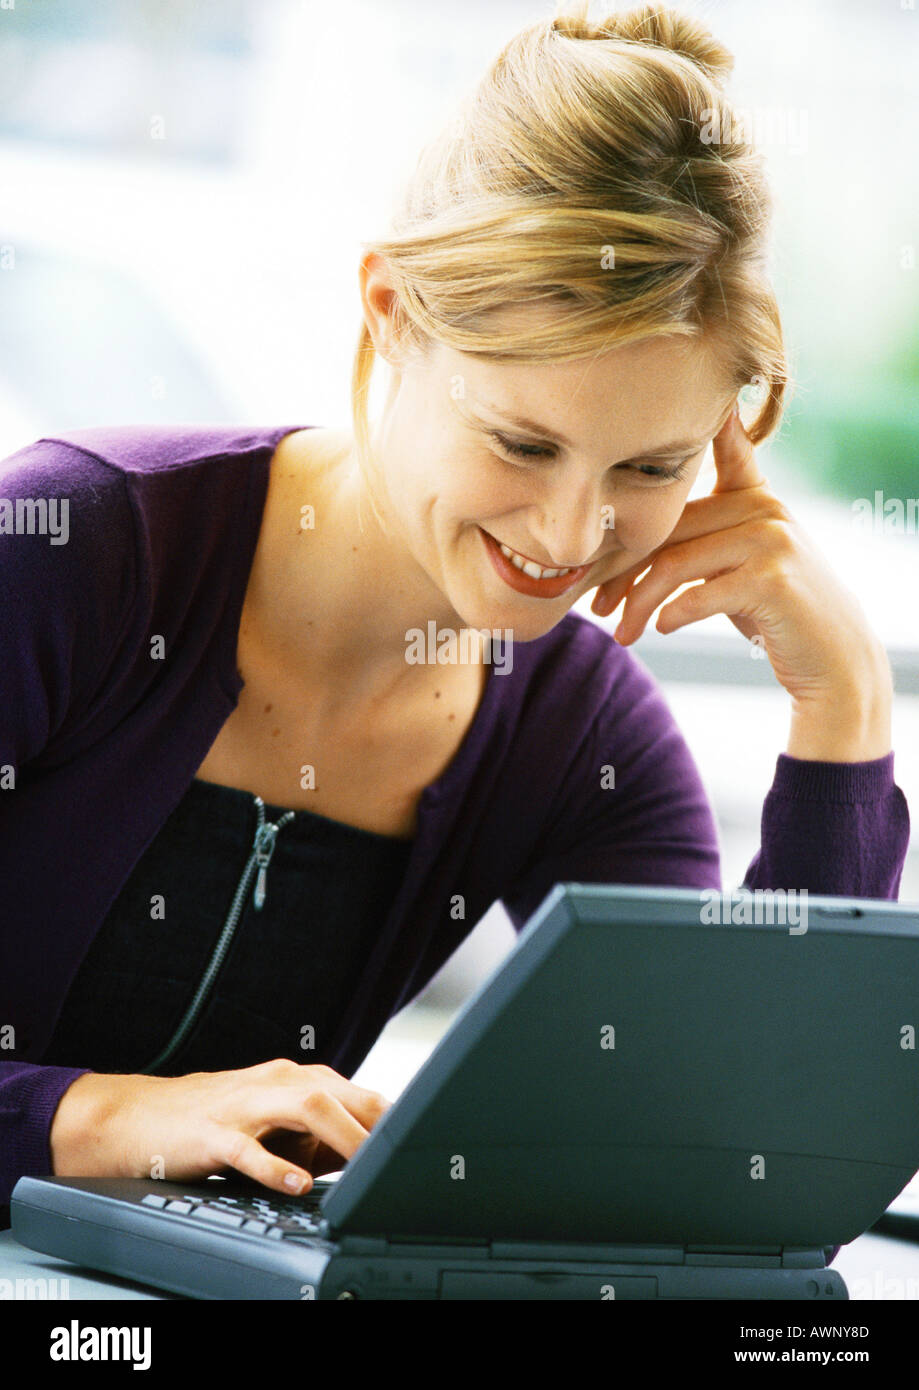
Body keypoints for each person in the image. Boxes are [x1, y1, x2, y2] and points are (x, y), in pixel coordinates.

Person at [0, 1, 909, 1238]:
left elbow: (730, 1165)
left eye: (651, 467)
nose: (564, 534)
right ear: (389, 313)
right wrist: (85, 1119)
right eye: (520, 441)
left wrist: (843, 708)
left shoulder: (583, 737)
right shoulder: (78, 552)